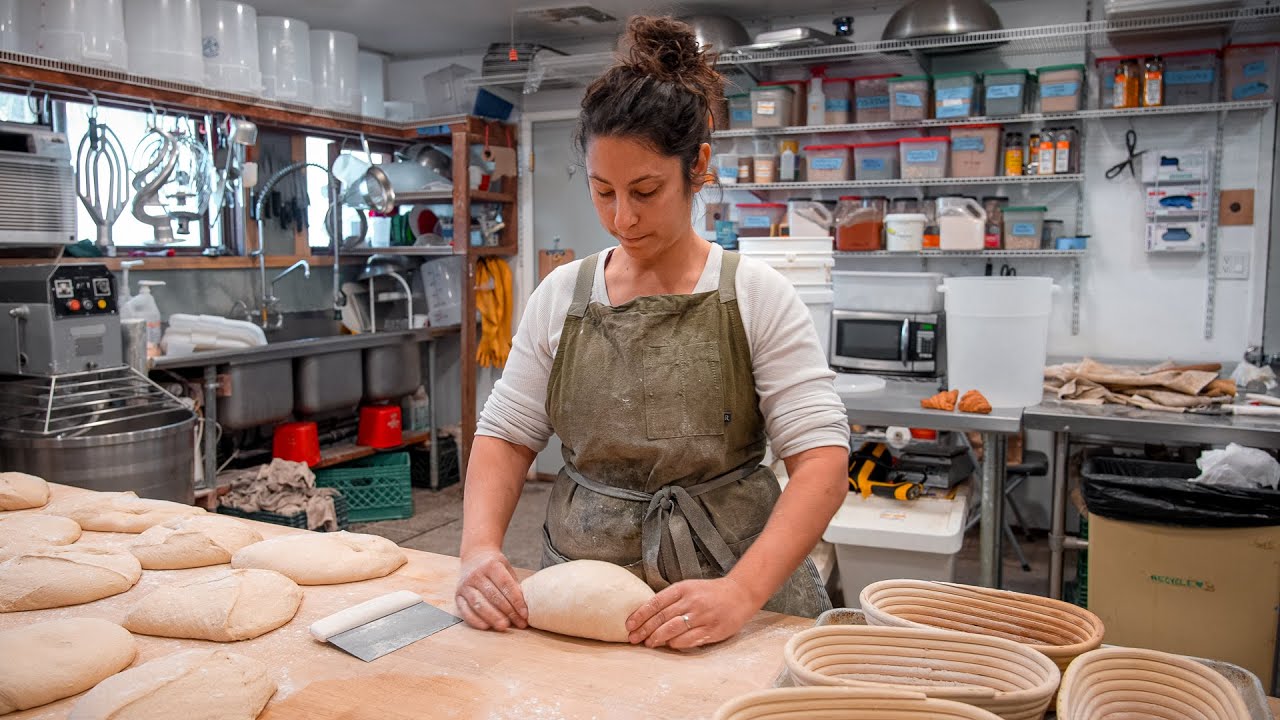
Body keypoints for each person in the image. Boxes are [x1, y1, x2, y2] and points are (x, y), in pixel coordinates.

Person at [456, 15, 850, 650]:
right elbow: (507, 434)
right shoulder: (562, 296)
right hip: (581, 591)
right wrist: (478, 548)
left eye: (645, 190)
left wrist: (740, 592)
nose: (623, 218)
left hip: (732, 586)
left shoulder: (754, 294)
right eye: (603, 191)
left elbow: (822, 463)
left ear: (698, 167)